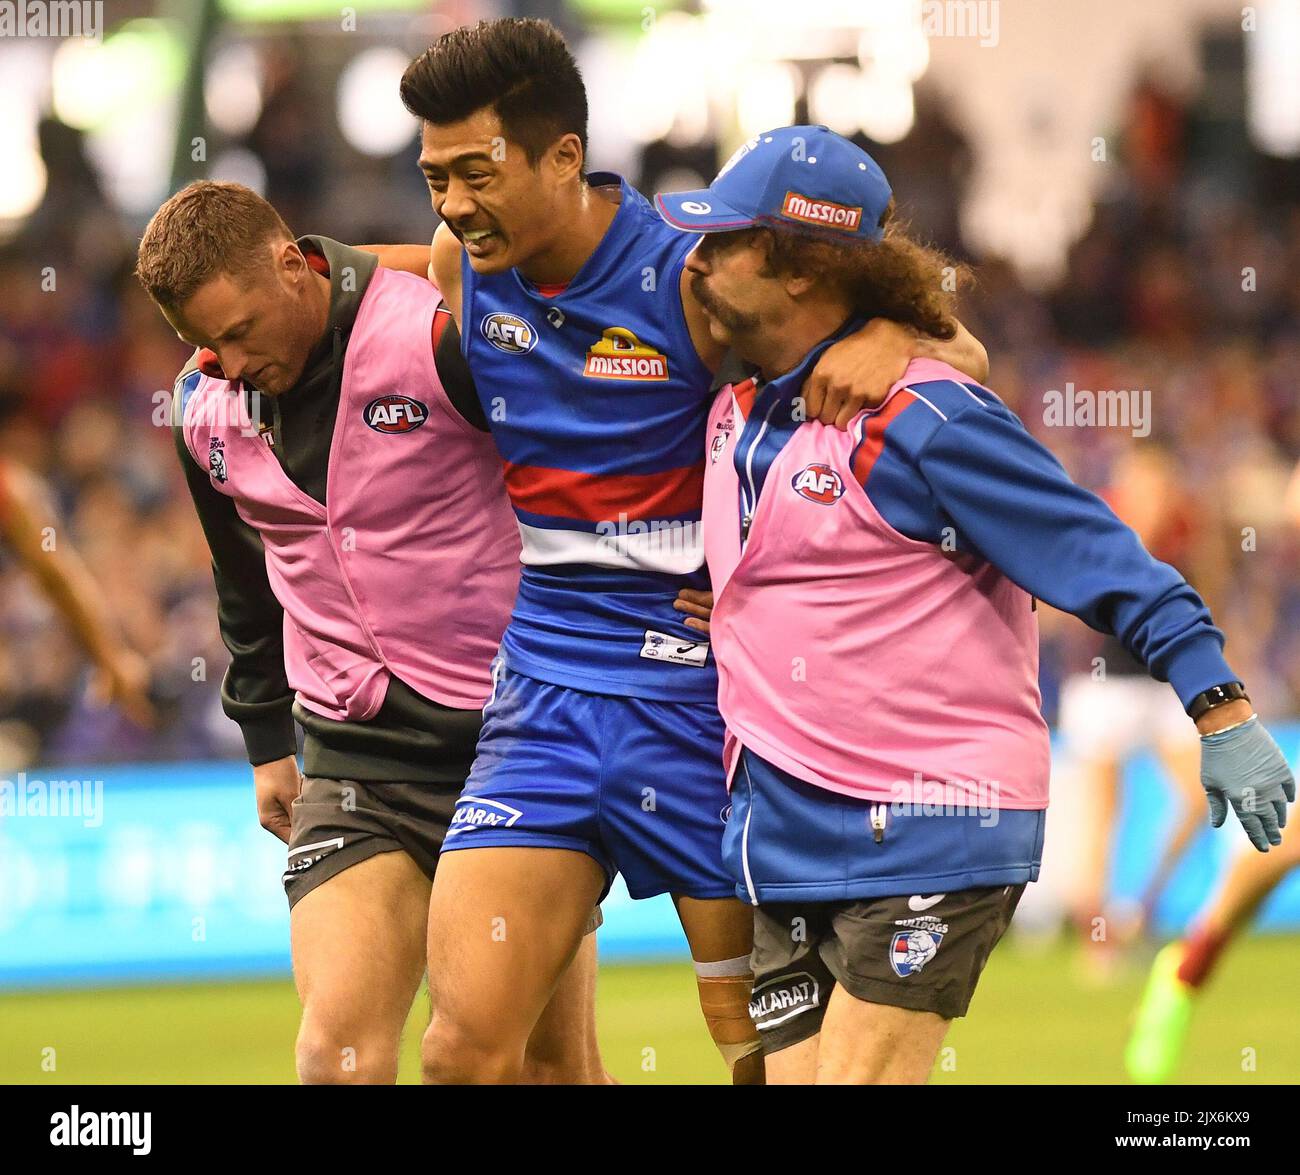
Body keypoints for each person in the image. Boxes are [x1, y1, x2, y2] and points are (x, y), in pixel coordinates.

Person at [395, 17, 991, 1085]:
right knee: (456, 1051)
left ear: (563, 156)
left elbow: (964, 354)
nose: (451, 204)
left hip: (706, 704)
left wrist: (879, 335)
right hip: (544, 697)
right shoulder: (460, 262)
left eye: (475, 172)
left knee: (764, 1062)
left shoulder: (691, 278)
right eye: (434, 175)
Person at [654, 124, 1295, 1084]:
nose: (691, 262)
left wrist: (1223, 708)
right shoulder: (734, 395)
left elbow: (1101, 556)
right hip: (777, 828)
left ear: (801, 270)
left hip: (929, 822)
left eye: (723, 240)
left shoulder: (928, 421)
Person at [135, 180, 606, 1085]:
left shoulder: (437, 334)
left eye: (239, 331)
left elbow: (585, 465)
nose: (226, 363)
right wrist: (268, 741)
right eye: (204, 343)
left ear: (291, 263)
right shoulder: (203, 407)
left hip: (516, 754)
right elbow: (245, 584)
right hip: (356, 761)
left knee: (541, 1071)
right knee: (334, 1057)